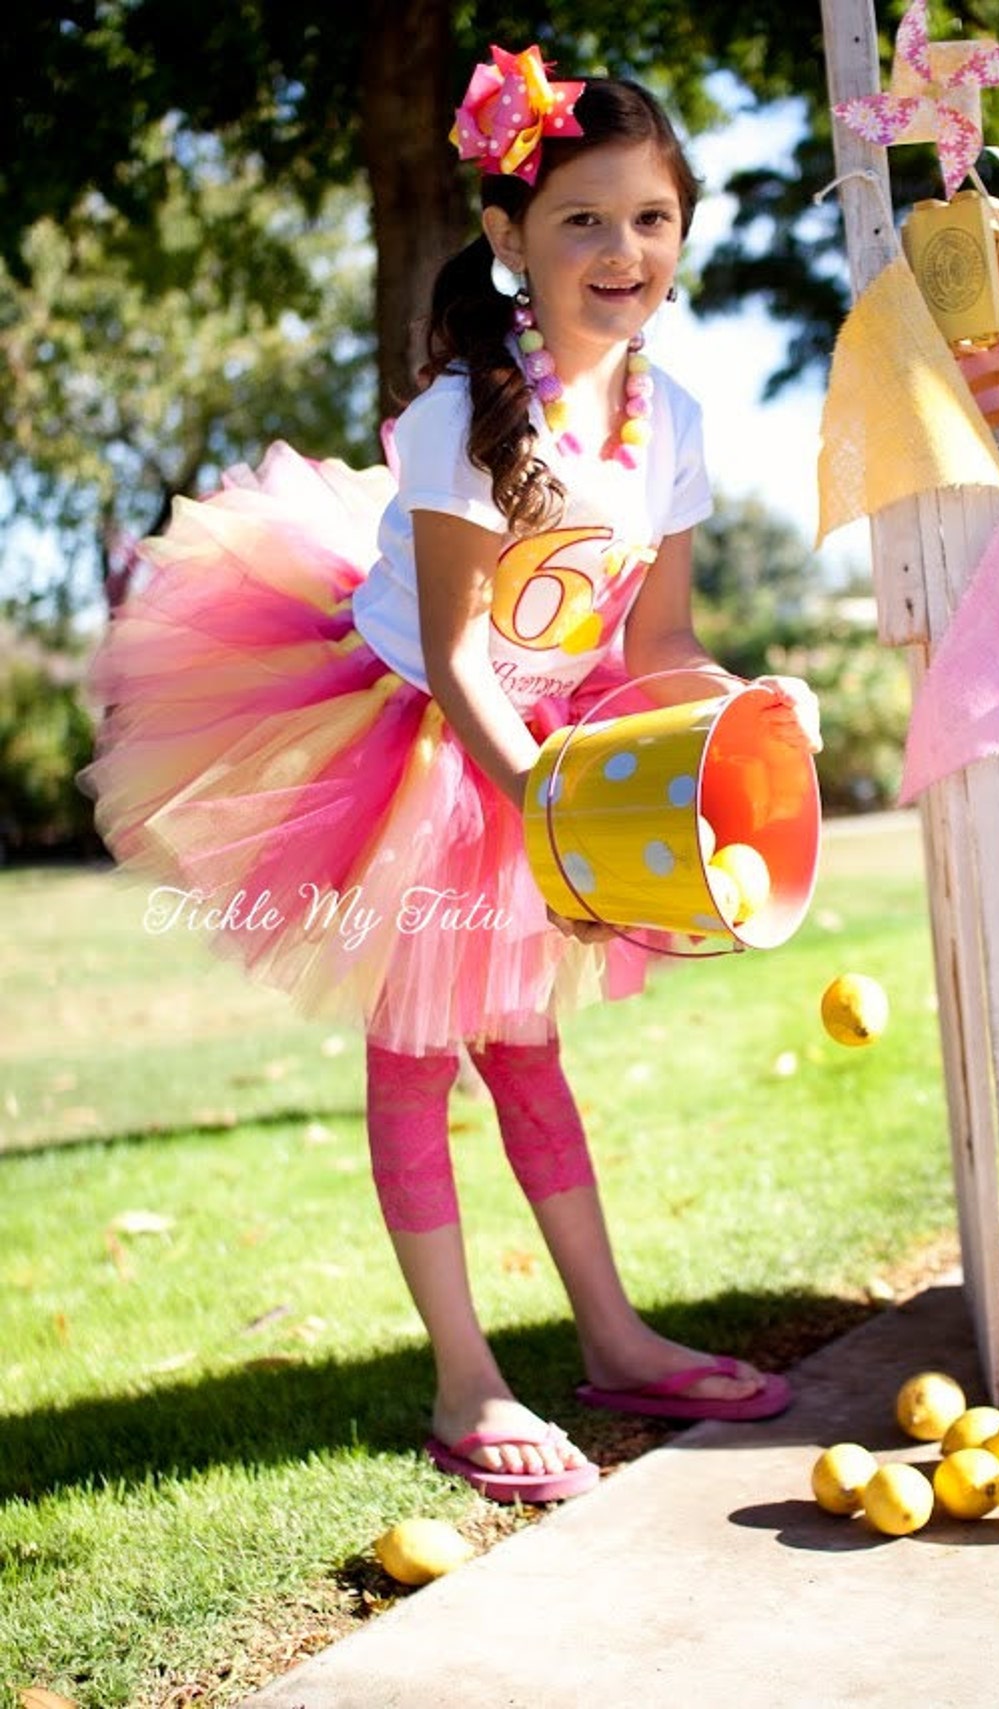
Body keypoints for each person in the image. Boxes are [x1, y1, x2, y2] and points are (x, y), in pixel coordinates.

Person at [82, 44, 821, 1504]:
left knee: (529, 1046)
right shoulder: (462, 419)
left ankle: (612, 1336)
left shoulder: (670, 419)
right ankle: (465, 1379)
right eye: (582, 219)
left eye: (651, 218)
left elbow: (659, 641)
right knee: (417, 1051)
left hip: (544, 738)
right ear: (508, 237)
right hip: (414, 735)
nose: (622, 249)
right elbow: (460, 652)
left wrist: (746, 705)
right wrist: (546, 815)